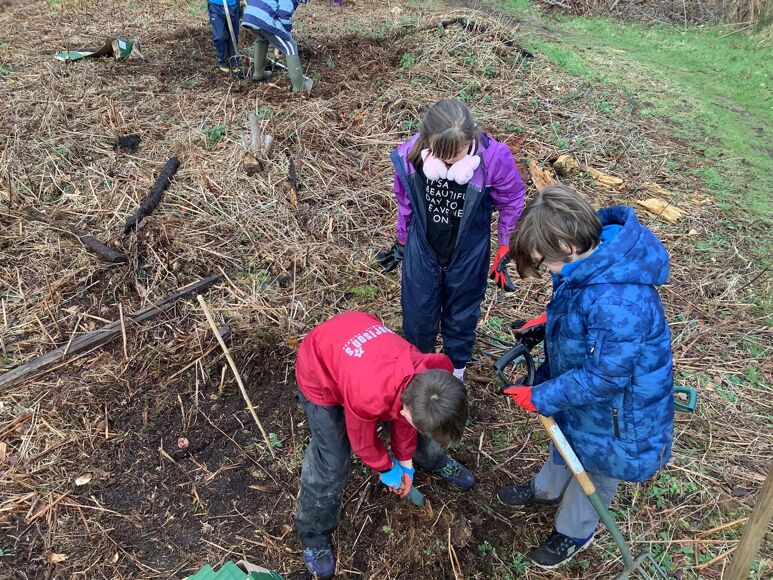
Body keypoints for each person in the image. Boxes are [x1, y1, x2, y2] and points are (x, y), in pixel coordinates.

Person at [498, 184, 674, 569]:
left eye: (544, 264)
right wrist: (547, 324)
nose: (545, 271)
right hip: (587, 397)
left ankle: (575, 529)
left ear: (566, 244)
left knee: (596, 461)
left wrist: (540, 396)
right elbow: (581, 315)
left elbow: (604, 377)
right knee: (567, 434)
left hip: (618, 413)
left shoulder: (618, 298)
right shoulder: (589, 266)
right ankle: (546, 488)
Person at [377, 99, 525, 490]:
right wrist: (402, 241)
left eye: (456, 155)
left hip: (468, 252)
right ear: (426, 145)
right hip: (424, 251)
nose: (447, 163)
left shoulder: (495, 160)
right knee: (418, 319)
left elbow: (512, 199)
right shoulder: (407, 158)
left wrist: (505, 246)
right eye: (440, 156)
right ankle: (415, 394)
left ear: (472, 143)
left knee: (461, 318)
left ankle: (453, 384)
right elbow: (405, 201)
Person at [294, 311, 468, 579]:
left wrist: (406, 463)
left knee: (424, 423)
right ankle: (313, 534)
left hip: (357, 347)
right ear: (405, 407)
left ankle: (433, 459)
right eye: (408, 416)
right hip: (319, 368)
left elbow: (403, 419)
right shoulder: (370, 396)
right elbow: (362, 441)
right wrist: (387, 468)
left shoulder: (427, 374)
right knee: (333, 461)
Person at [242, 0, 313, 91]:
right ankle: (299, 86)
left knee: (262, 38)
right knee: (290, 47)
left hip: (251, 16)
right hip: (264, 17)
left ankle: (259, 74)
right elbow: (284, 15)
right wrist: (287, 37)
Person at [207, 0, 241, 73]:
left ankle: (234, 61)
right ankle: (223, 61)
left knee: (233, 35)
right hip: (215, 6)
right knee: (220, 36)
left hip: (233, 5)